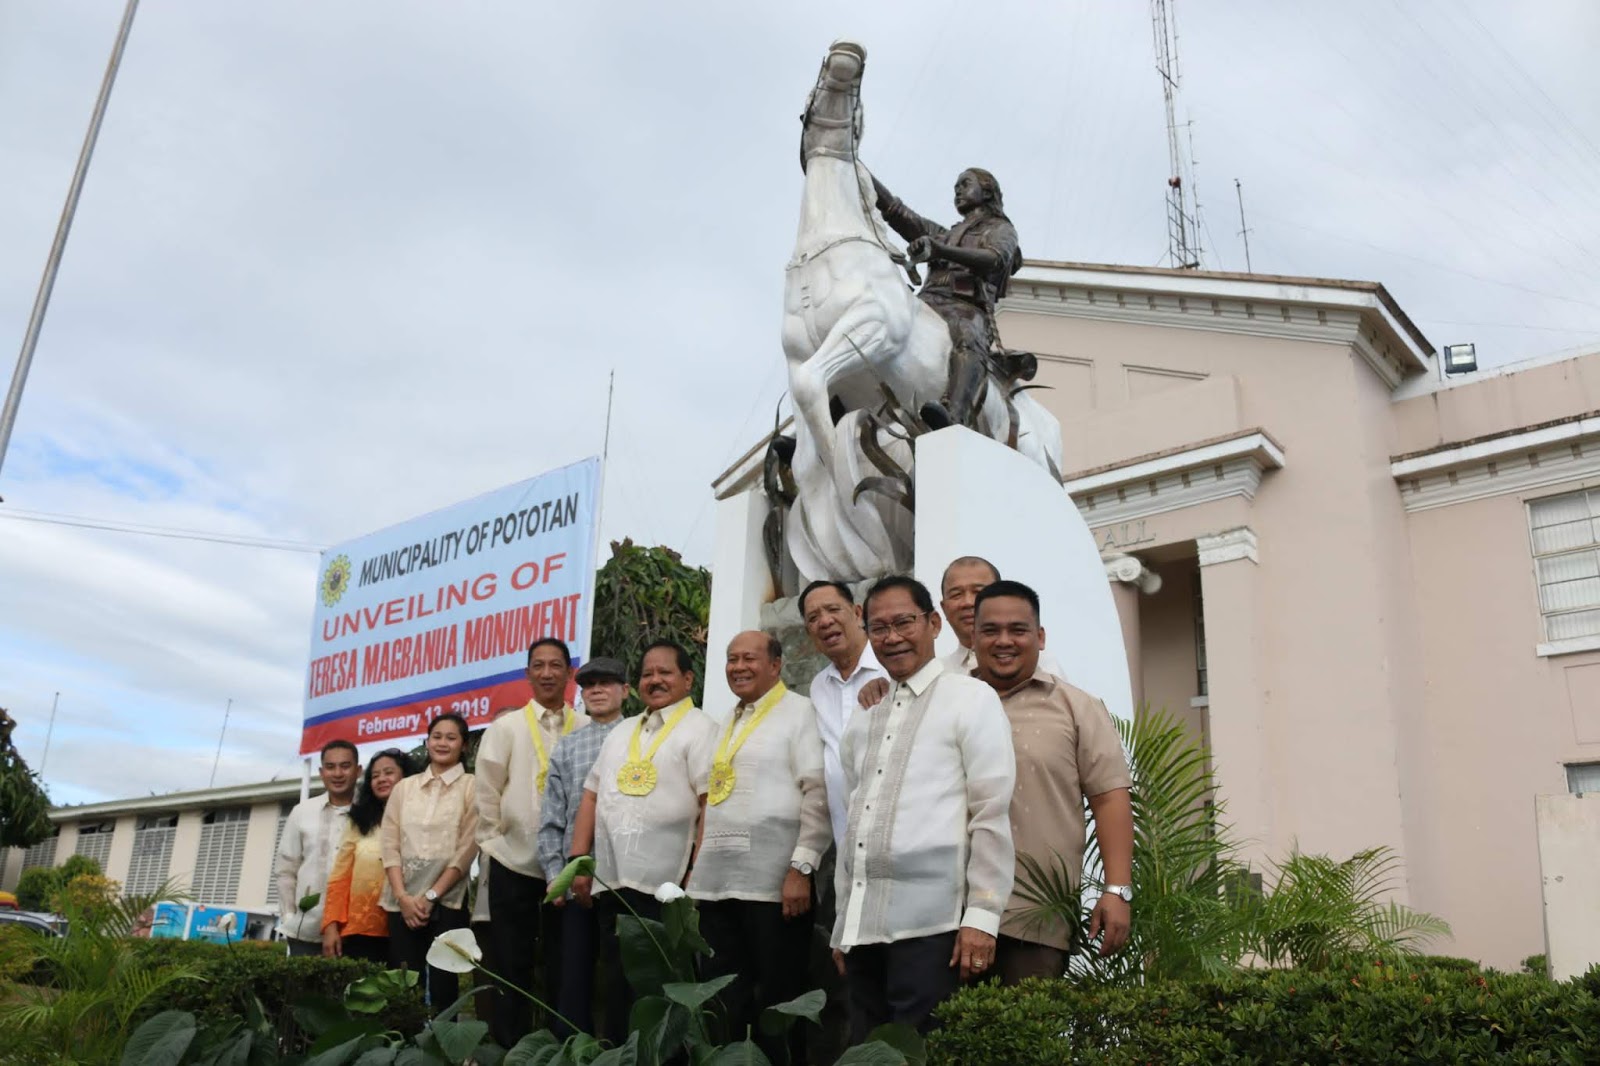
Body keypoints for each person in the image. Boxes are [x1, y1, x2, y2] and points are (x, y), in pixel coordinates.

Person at [831, 576, 1016, 1041]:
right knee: (867, 1053)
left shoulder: (970, 698)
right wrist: (842, 924)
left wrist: (982, 917)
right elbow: (854, 823)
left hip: (934, 928)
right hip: (862, 931)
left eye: (904, 622)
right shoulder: (866, 715)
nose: (892, 637)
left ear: (933, 624)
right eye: (879, 628)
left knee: (924, 1052)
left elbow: (991, 813)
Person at [971, 580, 1135, 983]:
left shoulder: (1077, 707)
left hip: (1034, 919)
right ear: (973, 637)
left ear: (1040, 637)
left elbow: (1110, 798)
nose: (1004, 641)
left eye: (1018, 630)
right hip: (945, 917)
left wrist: (1117, 891)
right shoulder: (949, 701)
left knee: (1029, 1023)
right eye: (990, 630)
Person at [691, 631, 830, 1064]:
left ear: (775, 664)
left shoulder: (800, 712)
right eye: (732, 659)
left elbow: (818, 791)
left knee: (780, 1004)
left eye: (749, 658)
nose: (738, 667)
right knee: (723, 1003)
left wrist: (801, 868)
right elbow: (711, 801)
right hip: (717, 889)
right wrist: (695, 875)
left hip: (774, 888)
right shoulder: (725, 722)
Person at [570, 640, 717, 1046]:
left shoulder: (702, 728)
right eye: (647, 673)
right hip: (613, 882)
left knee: (664, 988)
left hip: (668, 887)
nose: (655, 680)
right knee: (616, 984)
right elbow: (591, 796)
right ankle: (621, 1054)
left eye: (665, 672)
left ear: (688, 679)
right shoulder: (622, 730)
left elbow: (710, 803)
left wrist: (696, 871)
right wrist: (579, 862)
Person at [475, 637, 588, 1045]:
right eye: (538, 665)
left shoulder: (586, 727)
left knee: (567, 964)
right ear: (527, 674)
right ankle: (510, 1049)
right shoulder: (506, 728)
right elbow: (486, 791)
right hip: (514, 863)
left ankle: (562, 1049)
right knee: (511, 964)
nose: (546, 673)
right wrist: (495, 845)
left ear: (570, 673)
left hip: (571, 867)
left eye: (555, 665)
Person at [801, 579, 885, 1063]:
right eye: (813, 617)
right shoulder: (819, 686)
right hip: (847, 859)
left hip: (897, 853)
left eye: (832, 609)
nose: (824, 622)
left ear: (856, 612)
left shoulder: (891, 667)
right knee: (849, 986)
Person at [872, 167, 1023, 430]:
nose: (958, 191)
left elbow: (994, 259)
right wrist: (856, 168)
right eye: (955, 188)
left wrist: (940, 249)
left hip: (965, 308)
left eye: (965, 184)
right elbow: (897, 212)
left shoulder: (1002, 229)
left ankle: (955, 414)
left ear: (987, 192)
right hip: (927, 301)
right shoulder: (943, 233)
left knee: (968, 339)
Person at [538, 656, 630, 1037]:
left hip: (626, 878)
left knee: (623, 975)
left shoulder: (641, 736)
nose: (596, 690)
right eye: (589, 685)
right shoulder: (567, 747)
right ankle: (571, 1052)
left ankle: (622, 1053)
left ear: (626, 691)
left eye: (606, 683)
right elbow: (551, 817)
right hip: (576, 879)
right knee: (573, 975)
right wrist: (554, 875)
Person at [381, 713, 479, 1009]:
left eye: (451, 737)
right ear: (427, 742)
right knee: (403, 989)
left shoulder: (472, 786)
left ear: (464, 745)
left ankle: (442, 1041)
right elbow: (389, 845)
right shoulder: (404, 788)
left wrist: (431, 896)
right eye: (436, 736)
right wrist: (403, 897)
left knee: (443, 990)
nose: (442, 743)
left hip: (448, 902)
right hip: (402, 902)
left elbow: (468, 847)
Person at [322, 748, 415, 962]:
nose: (381, 779)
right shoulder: (359, 821)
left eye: (388, 773)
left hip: (410, 922)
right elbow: (340, 878)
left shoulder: (421, 818)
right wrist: (331, 926)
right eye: (375, 776)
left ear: (406, 777)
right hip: (362, 928)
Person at [276, 739, 359, 956]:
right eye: (330, 767)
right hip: (306, 931)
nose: (337, 773)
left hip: (357, 932)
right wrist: (290, 917)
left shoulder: (372, 812)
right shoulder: (302, 812)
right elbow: (286, 871)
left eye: (345, 766)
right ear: (322, 773)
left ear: (358, 770)